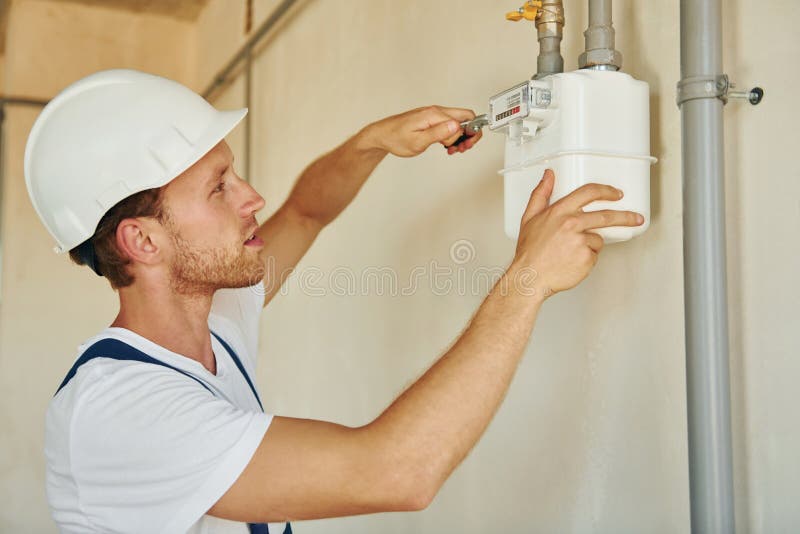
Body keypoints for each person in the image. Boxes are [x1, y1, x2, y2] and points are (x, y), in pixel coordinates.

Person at [26, 69, 643, 533]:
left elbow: (307, 209)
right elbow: (396, 472)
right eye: (219, 188)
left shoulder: (215, 317)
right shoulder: (120, 411)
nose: (252, 197)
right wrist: (528, 280)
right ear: (143, 240)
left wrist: (373, 142)